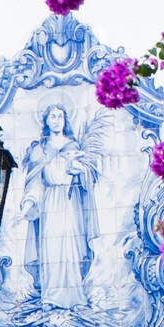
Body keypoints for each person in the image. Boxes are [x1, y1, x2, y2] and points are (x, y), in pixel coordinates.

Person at [18, 104, 99, 309]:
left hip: (71, 203)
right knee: (51, 249)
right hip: (49, 204)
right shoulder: (39, 149)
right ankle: (51, 297)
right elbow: (35, 182)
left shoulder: (74, 147)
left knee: (71, 247)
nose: (56, 120)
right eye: (52, 116)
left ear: (65, 120)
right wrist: (29, 202)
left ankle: (75, 298)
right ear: (45, 121)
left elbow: (88, 179)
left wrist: (79, 172)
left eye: (60, 116)